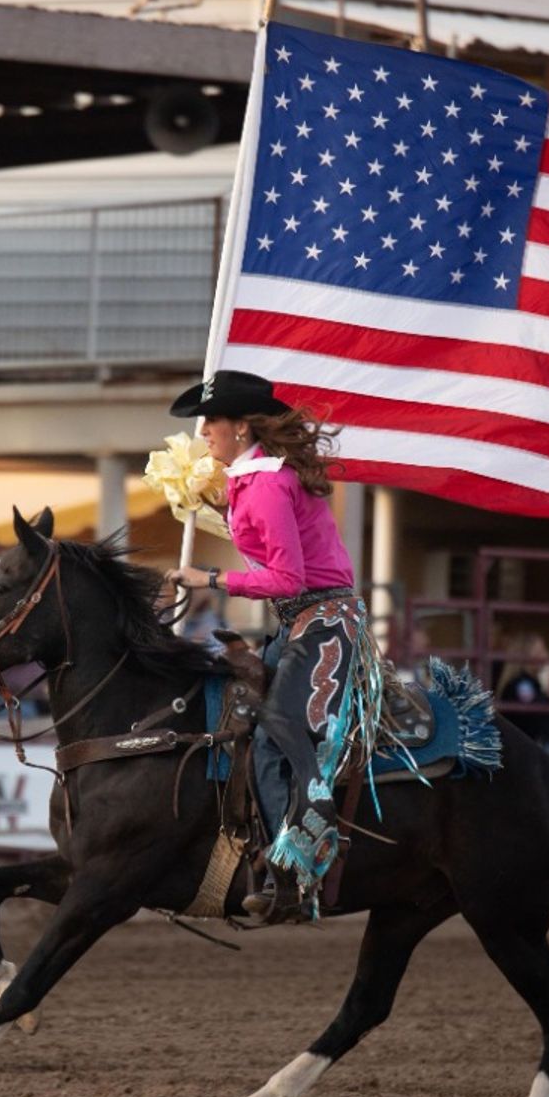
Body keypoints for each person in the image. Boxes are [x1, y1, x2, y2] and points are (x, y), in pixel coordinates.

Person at [165, 369, 379, 922]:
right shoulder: (256, 479)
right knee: (254, 726)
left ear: (240, 427)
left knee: (274, 735)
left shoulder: (264, 484)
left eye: (210, 420)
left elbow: (286, 578)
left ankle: (295, 871)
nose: (203, 430)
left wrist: (208, 579)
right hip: (306, 620)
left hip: (322, 618)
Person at [498, 632, 549, 752]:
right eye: (540, 651)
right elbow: (536, 713)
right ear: (525, 655)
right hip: (522, 756)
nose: (545, 655)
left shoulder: (529, 683)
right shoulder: (521, 684)